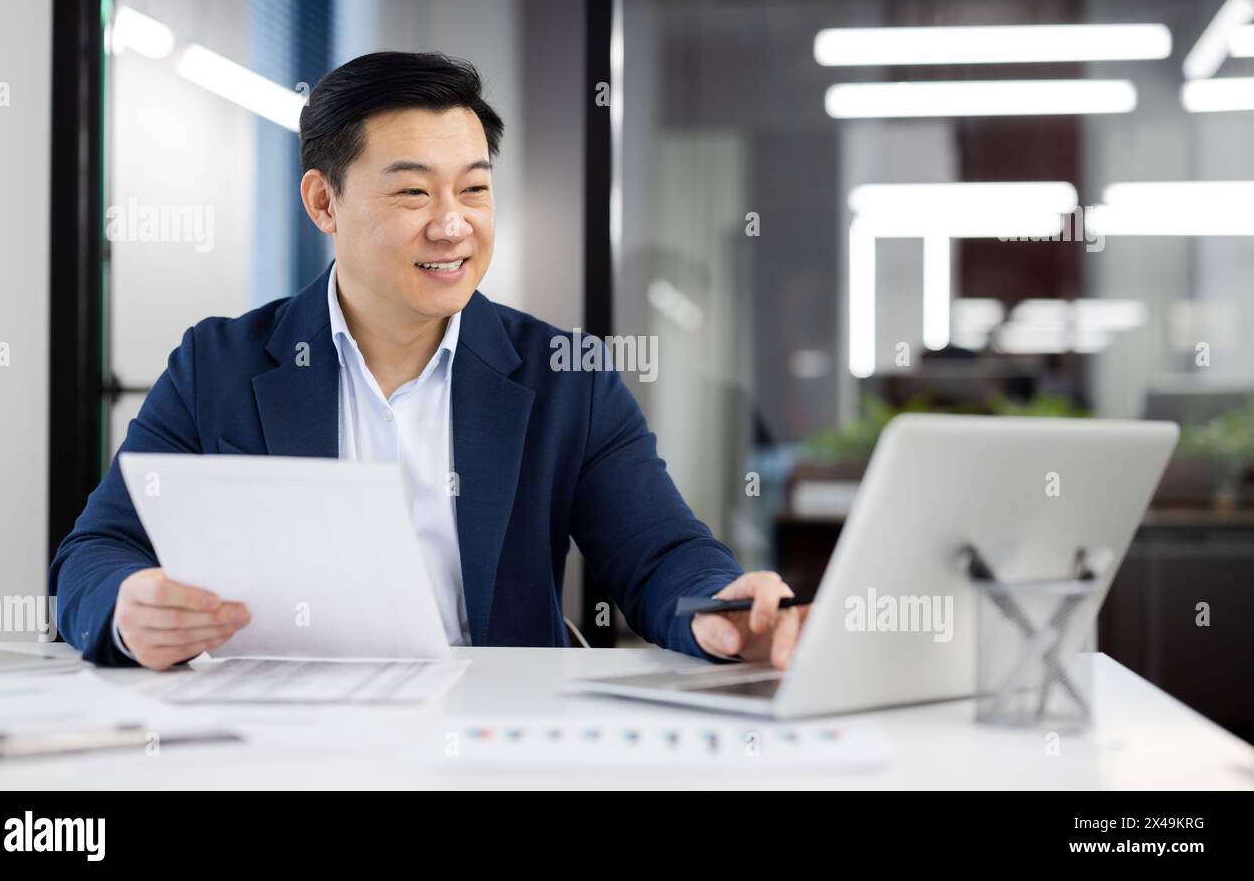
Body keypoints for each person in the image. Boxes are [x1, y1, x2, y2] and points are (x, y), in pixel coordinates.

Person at [50, 51, 807, 670]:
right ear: (323, 202)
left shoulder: (565, 376)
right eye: (413, 191)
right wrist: (126, 606)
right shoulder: (217, 365)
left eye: (474, 189)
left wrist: (720, 607)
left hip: (490, 747)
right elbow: (96, 550)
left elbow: (660, 555)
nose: (453, 224)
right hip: (281, 745)